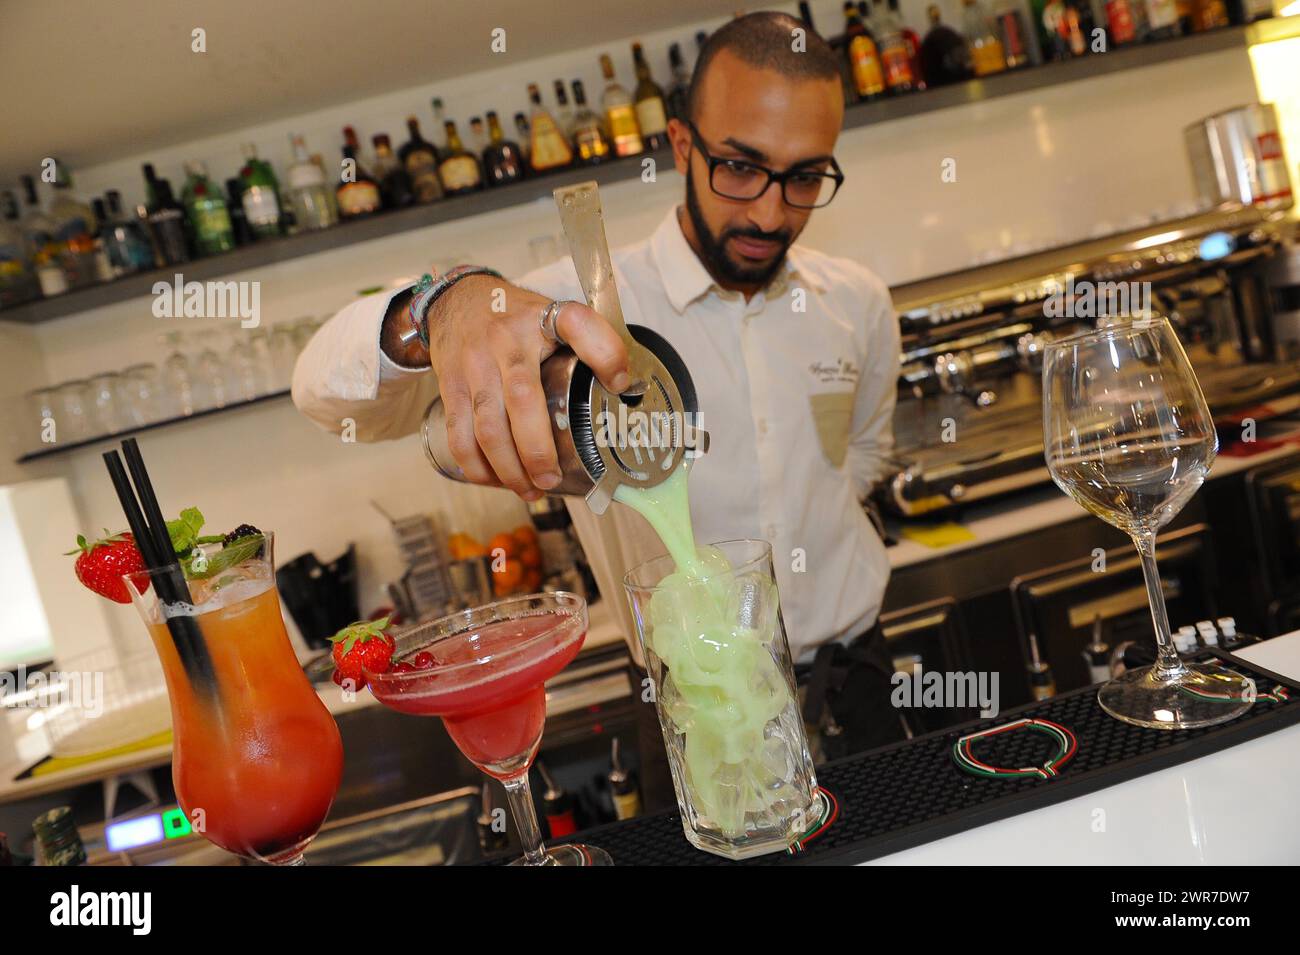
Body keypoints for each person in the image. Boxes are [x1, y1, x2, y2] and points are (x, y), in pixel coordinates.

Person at [292, 12, 904, 804]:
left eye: (805, 177)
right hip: (690, 704)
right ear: (682, 145)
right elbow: (321, 390)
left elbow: (862, 456)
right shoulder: (568, 308)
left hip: (859, 677)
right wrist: (444, 304)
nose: (769, 212)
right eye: (740, 168)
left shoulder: (855, 300)